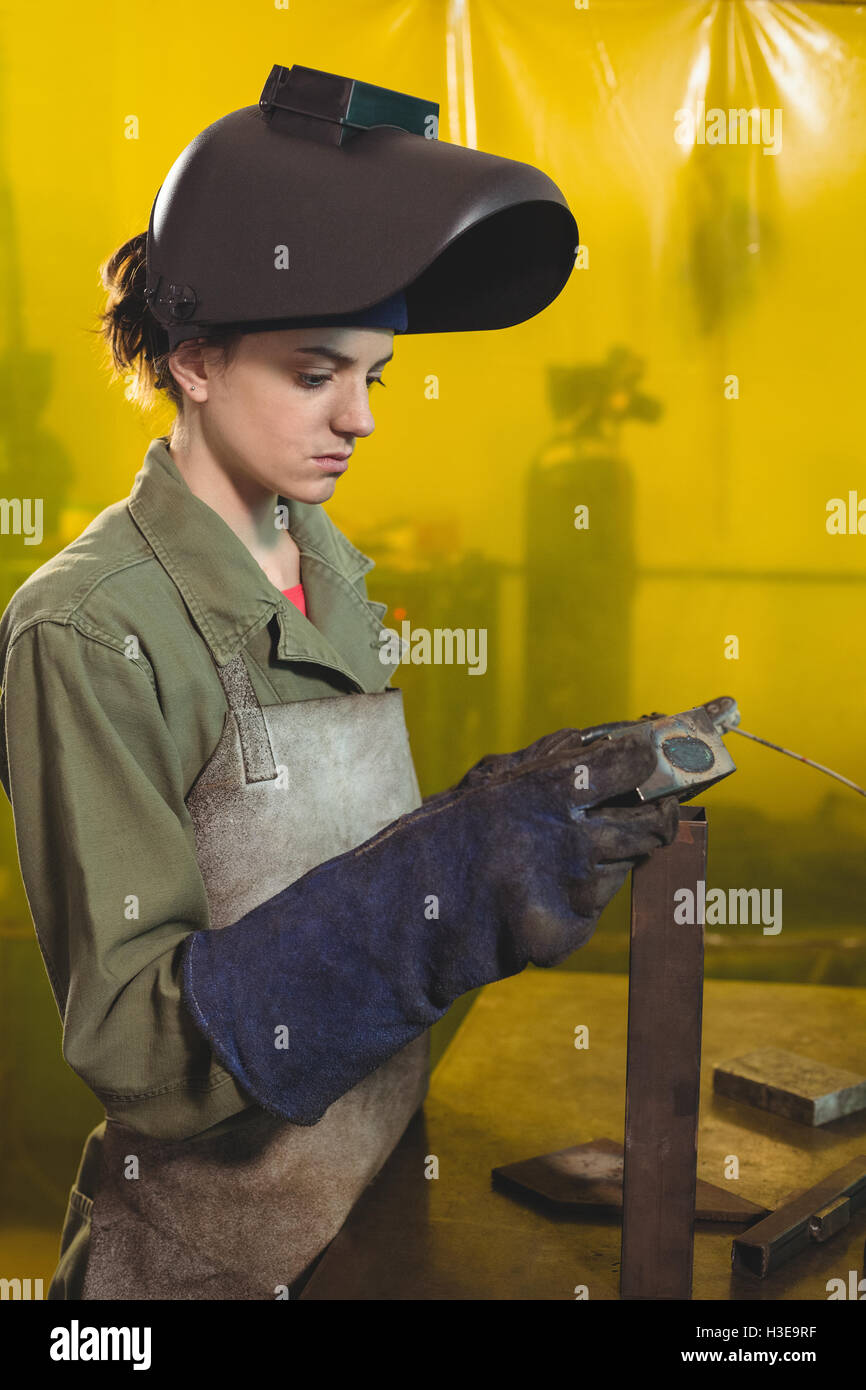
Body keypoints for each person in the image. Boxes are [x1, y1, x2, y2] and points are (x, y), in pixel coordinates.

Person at [0, 63, 678, 1300]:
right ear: (193, 360)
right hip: (211, 1261)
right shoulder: (91, 631)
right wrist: (449, 875)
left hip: (372, 1203)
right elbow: (141, 1046)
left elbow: (338, 872)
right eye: (317, 373)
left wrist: (501, 810)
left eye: (373, 374)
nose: (359, 417)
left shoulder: (326, 565)